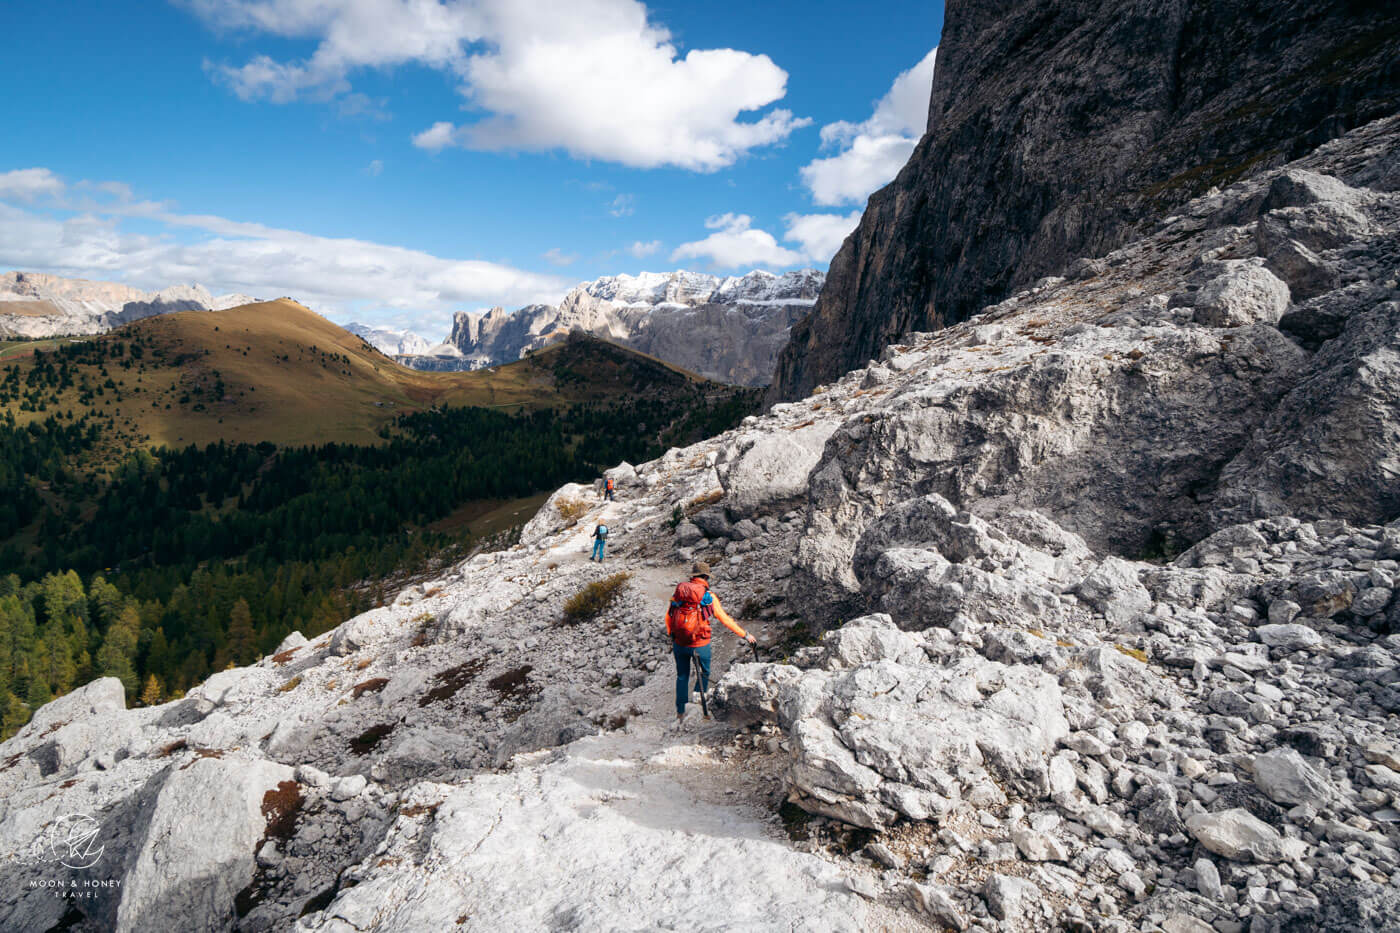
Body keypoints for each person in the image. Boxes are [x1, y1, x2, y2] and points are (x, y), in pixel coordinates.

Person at [665, 560, 755, 726]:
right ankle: (700, 706)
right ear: (706, 577)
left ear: (693, 577)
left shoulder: (679, 593)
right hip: (700, 643)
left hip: (680, 643)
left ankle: (680, 712)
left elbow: (669, 616)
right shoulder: (708, 596)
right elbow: (724, 619)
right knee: (704, 672)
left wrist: (673, 635)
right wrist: (745, 634)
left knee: (682, 676)